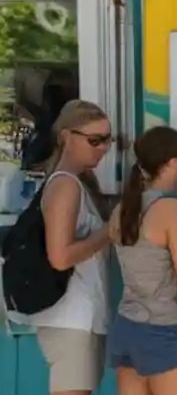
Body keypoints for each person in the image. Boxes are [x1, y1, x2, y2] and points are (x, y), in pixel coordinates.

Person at [25, 100, 114, 395]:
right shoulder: (65, 185)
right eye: (95, 140)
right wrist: (108, 233)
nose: (103, 148)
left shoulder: (76, 183)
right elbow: (60, 257)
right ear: (66, 137)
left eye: (108, 140)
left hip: (80, 319)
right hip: (71, 319)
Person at [106, 126, 177, 395]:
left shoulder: (123, 207)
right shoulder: (171, 208)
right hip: (161, 329)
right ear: (173, 163)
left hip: (126, 325)